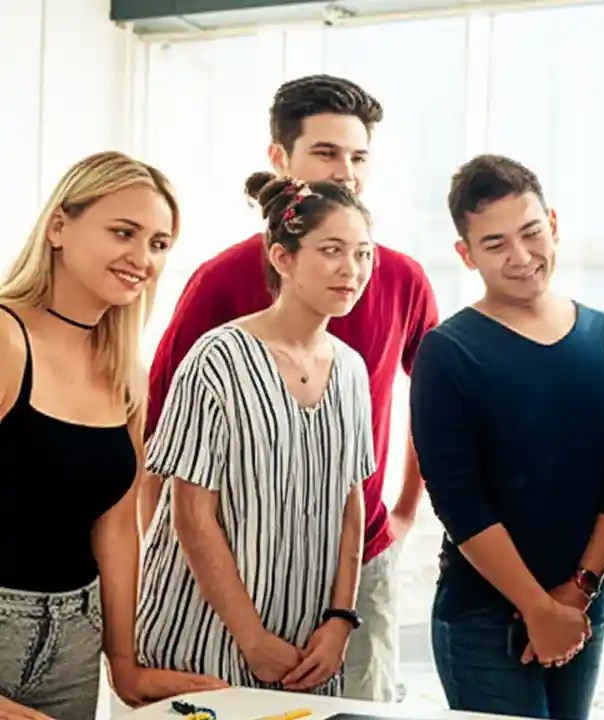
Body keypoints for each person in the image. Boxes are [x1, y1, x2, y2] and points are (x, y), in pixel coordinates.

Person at [140, 75, 437, 701]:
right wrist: (145, 565)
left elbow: (432, 409)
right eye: (327, 153)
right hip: (225, 572)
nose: (347, 171)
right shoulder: (220, 291)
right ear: (281, 157)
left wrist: (404, 511)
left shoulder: (398, 286)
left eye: (359, 157)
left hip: (348, 573)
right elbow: (167, 450)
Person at [410, 154, 604, 719]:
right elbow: (458, 501)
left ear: (554, 225)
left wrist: (577, 590)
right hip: (482, 614)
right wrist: (536, 606)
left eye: (531, 233)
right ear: (465, 255)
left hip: (582, 603)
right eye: (495, 244)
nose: (520, 257)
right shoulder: (446, 352)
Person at [0, 151, 226, 720]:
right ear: (58, 227)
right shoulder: (5, 339)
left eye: (159, 243)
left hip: (75, 641)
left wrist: (123, 664)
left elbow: (118, 527)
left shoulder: (123, 369)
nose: (142, 258)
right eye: (123, 232)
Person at [136, 173, 376, 696]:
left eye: (362, 253)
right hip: (203, 638)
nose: (351, 269)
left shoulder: (353, 371)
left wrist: (340, 621)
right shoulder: (216, 360)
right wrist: (251, 639)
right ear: (282, 258)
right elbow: (191, 513)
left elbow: (351, 503)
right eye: (331, 250)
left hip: (307, 646)